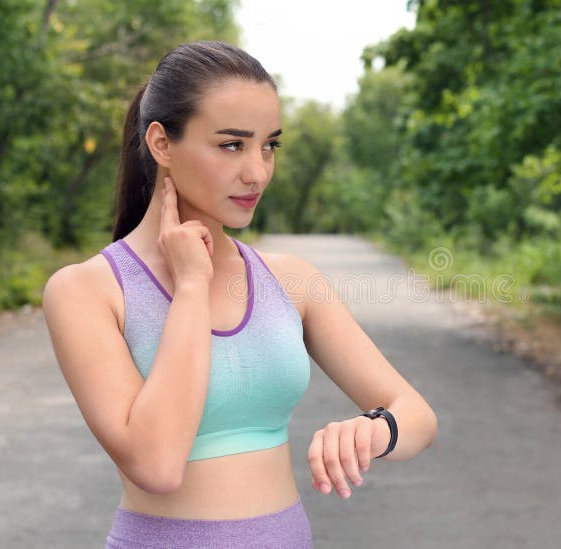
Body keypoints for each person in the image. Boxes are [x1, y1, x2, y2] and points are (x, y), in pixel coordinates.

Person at [41, 40, 437, 548]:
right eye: (232, 144)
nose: (258, 171)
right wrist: (189, 287)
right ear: (161, 144)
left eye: (269, 144)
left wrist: (377, 429)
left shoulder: (291, 280)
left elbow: (417, 414)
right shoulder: (86, 290)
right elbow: (157, 465)